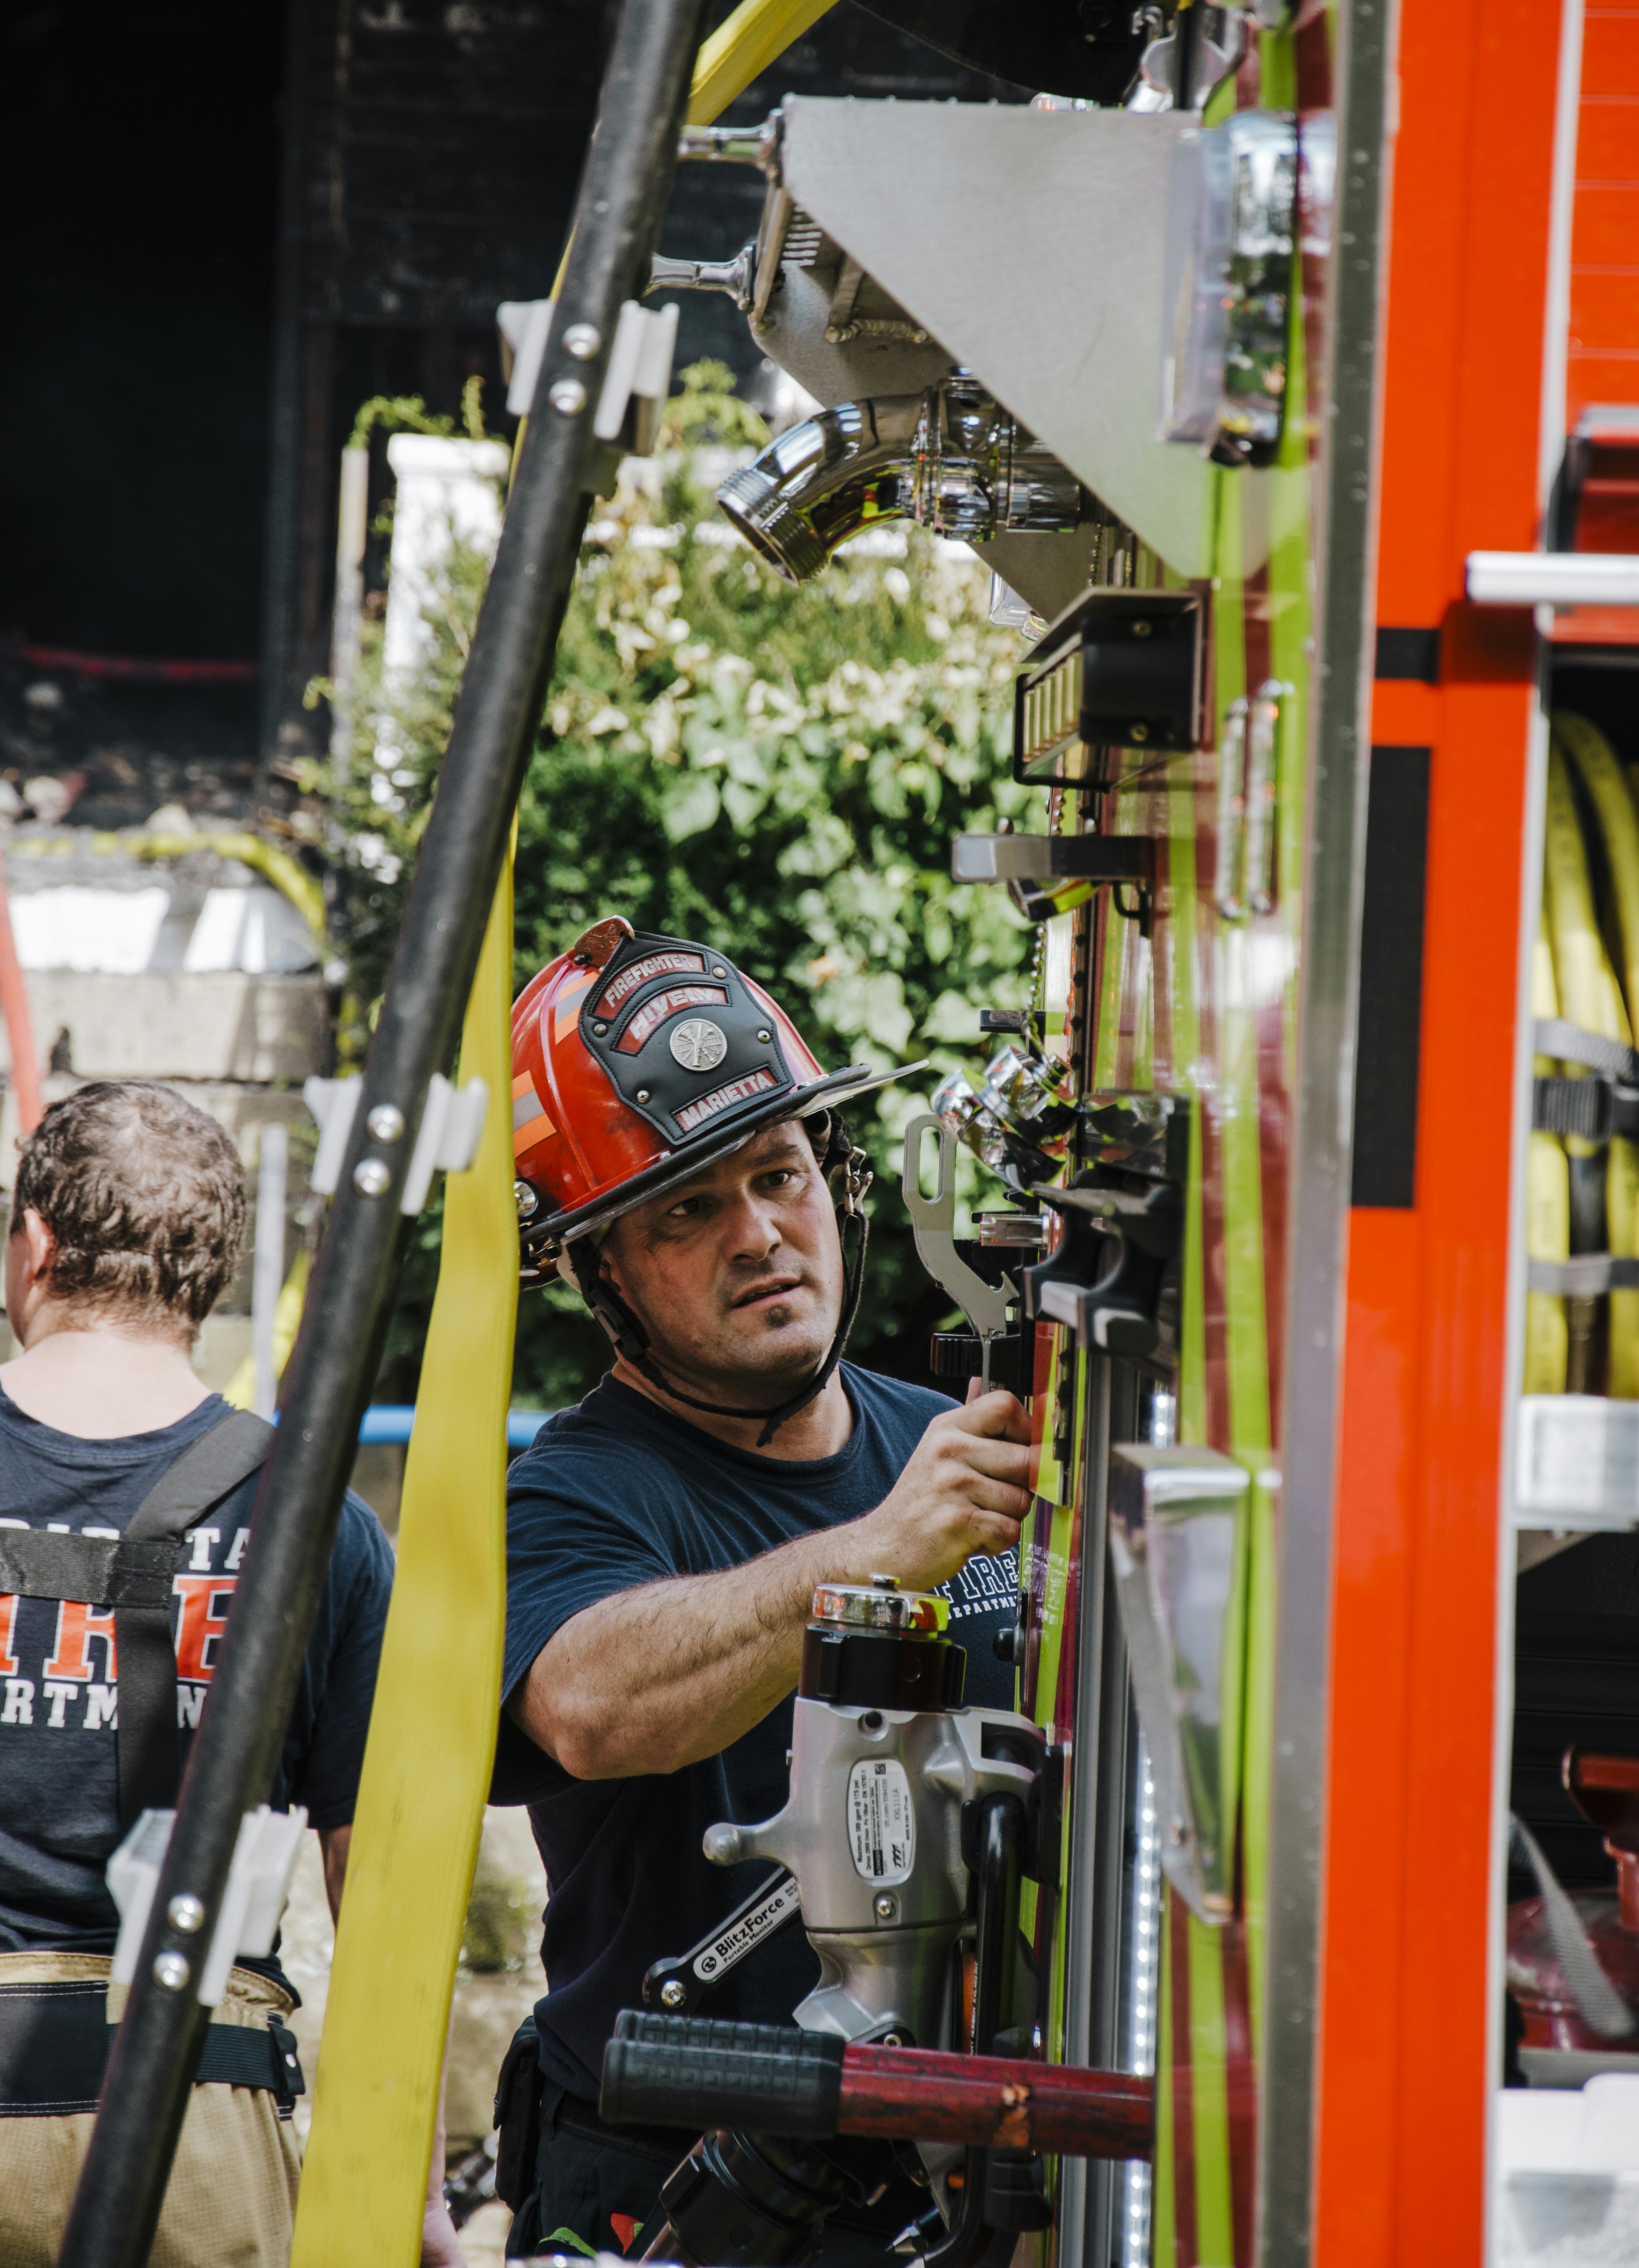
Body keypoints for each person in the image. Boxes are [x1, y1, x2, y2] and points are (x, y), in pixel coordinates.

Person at [493, 918, 1034, 2262]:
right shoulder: (578, 1492)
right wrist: (874, 1559)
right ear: (595, 1272)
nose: (761, 1236)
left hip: (961, 2171)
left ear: (838, 1181)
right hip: (678, 2189)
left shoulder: (951, 1451)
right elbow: (589, 1706)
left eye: (781, 1175)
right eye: (687, 1208)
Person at [0, 1079, 458, 2268]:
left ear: (35, 1245)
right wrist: (415, 2199)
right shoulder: (320, 1525)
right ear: (206, 1279)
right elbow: (383, 1894)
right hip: (202, 2116)